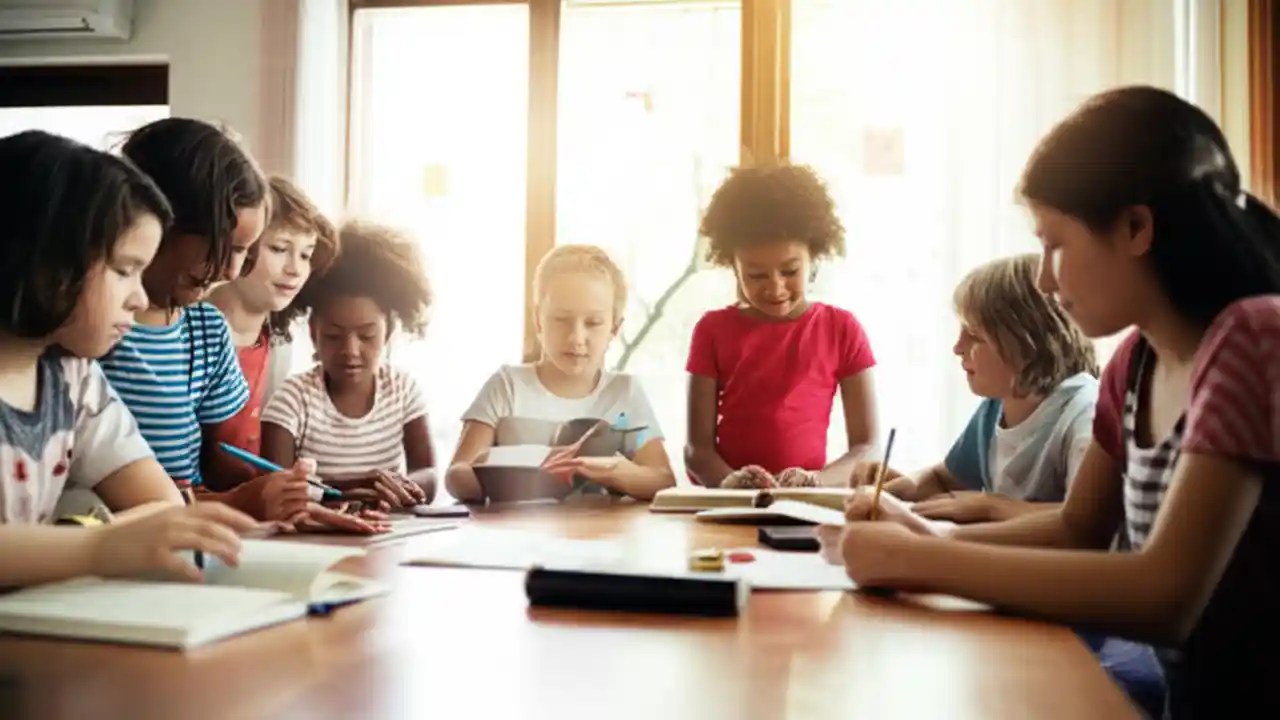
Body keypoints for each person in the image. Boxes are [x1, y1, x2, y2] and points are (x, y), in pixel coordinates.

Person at [834, 86, 1280, 718]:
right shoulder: (1135, 362)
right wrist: (925, 533)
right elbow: (1078, 529)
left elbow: (1168, 596)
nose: (1045, 279)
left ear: (1134, 227)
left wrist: (922, 558)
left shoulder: (1254, 338)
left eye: (1055, 243)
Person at [0, 130, 256, 586]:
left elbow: (161, 506)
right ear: (45, 262)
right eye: (125, 270)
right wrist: (96, 546)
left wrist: (107, 540)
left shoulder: (73, 379)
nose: (139, 298)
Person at [685, 165, 877, 488]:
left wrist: (816, 482)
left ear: (814, 257)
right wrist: (730, 483)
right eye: (756, 275)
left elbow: (867, 447)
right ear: (732, 265)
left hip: (808, 504)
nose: (775, 289)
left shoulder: (842, 329)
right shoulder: (712, 330)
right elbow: (697, 450)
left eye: (789, 270)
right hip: (730, 503)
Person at [446, 245, 676, 502]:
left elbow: (663, 478)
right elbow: (458, 471)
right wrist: (492, 475)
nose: (576, 338)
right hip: (513, 537)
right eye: (561, 319)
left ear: (614, 328)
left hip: (601, 538)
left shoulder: (625, 395)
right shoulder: (507, 385)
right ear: (538, 320)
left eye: (593, 323)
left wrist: (615, 472)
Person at [261, 221, 434, 509]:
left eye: (366, 336)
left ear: (388, 331)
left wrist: (404, 487)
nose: (350, 351)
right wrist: (349, 490)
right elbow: (273, 487)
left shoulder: (403, 391)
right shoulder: (292, 400)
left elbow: (428, 473)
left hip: (387, 536)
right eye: (333, 335)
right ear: (314, 332)